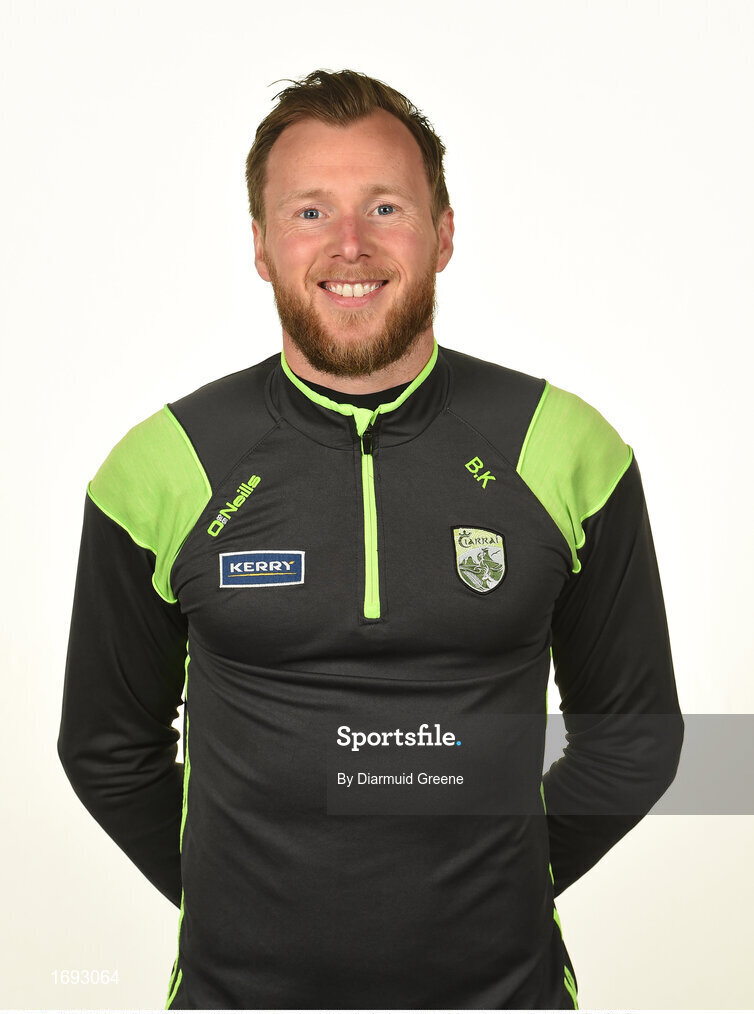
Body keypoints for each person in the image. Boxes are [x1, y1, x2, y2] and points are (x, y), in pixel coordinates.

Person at [57, 68, 684, 1010]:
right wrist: (235, 901)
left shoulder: (564, 449)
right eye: (309, 212)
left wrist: (509, 879)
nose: (350, 245)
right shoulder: (164, 468)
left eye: (385, 205)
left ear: (444, 232)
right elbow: (106, 745)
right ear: (262, 246)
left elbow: (637, 736)